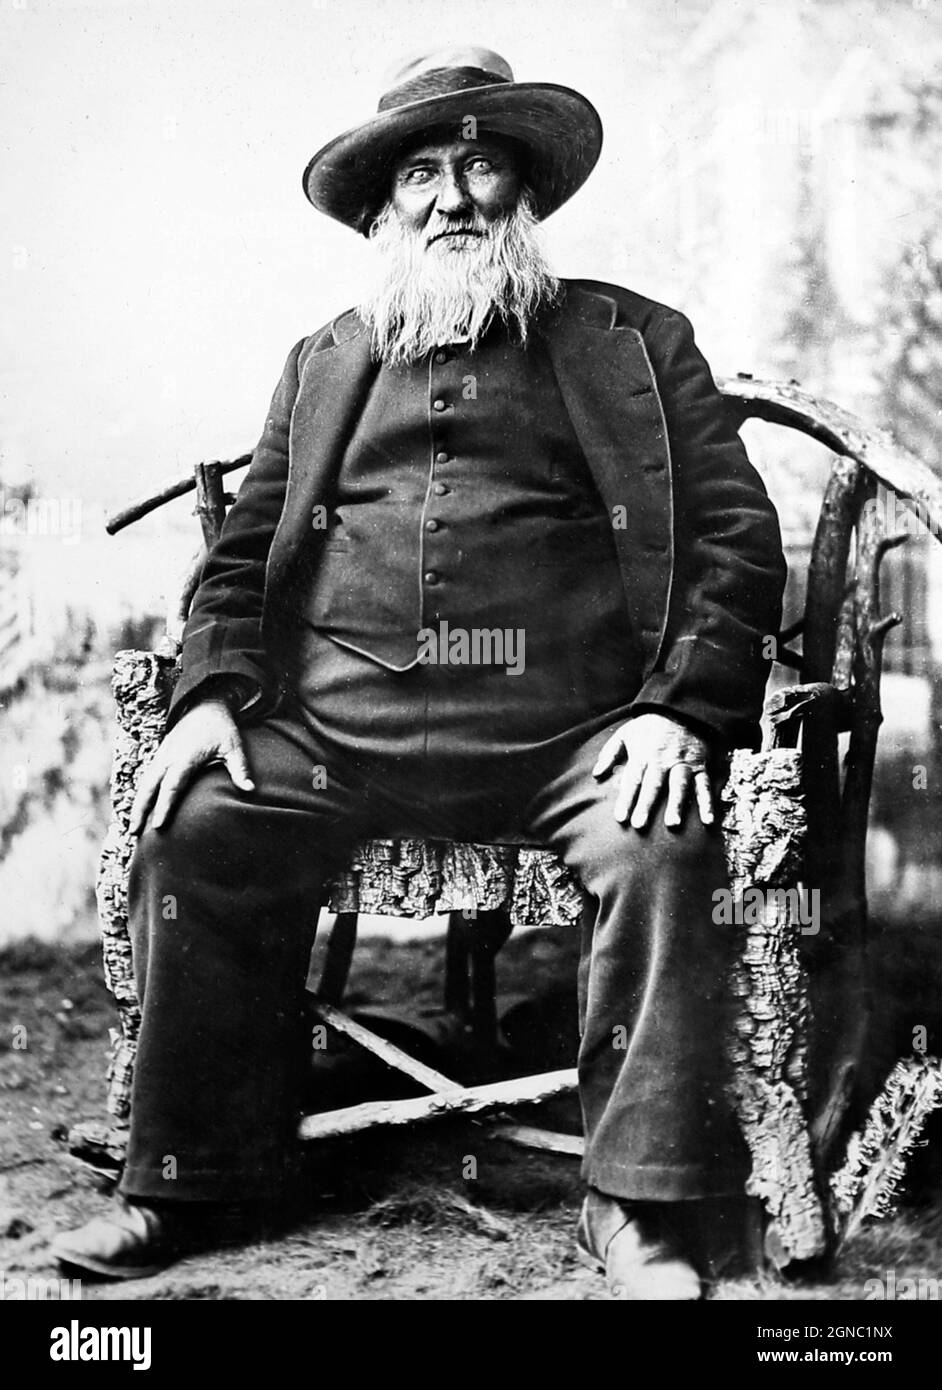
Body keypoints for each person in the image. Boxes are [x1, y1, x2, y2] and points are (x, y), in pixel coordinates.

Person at [53, 45, 786, 1299]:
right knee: (201, 823)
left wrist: (679, 710)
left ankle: (638, 1207)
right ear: (384, 210)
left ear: (528, 197)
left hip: (575, 737)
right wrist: (214, 690)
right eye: (423, 175)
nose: (453, 197)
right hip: (339, 738)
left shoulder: (635, 341)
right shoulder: (324, 360)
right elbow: (240, 558)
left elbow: (733, 536)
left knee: (662, 846)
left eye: (484, 167)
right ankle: (189, 1183)